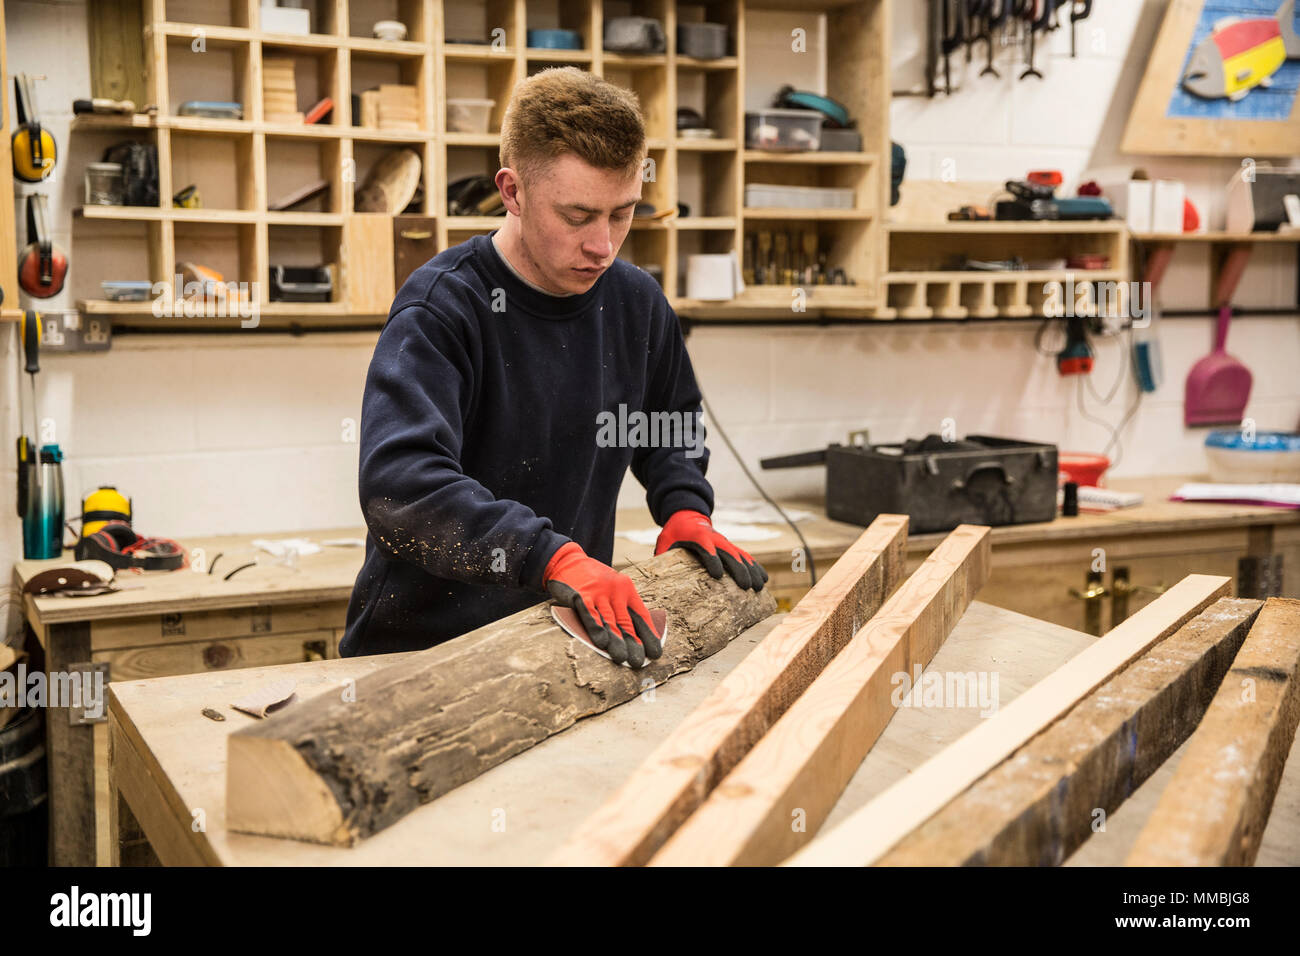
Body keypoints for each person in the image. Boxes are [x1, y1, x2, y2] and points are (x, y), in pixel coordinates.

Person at [341, 67, 766, 665]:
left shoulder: (636, 302)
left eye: (623, 213)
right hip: (421, 651)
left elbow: (667, 424)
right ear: (511, 192)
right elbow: (400, 486)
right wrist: (554, 557)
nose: (603, 244)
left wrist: (685, 506)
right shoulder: (443, 308)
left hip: (562, 644)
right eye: (577, 216)